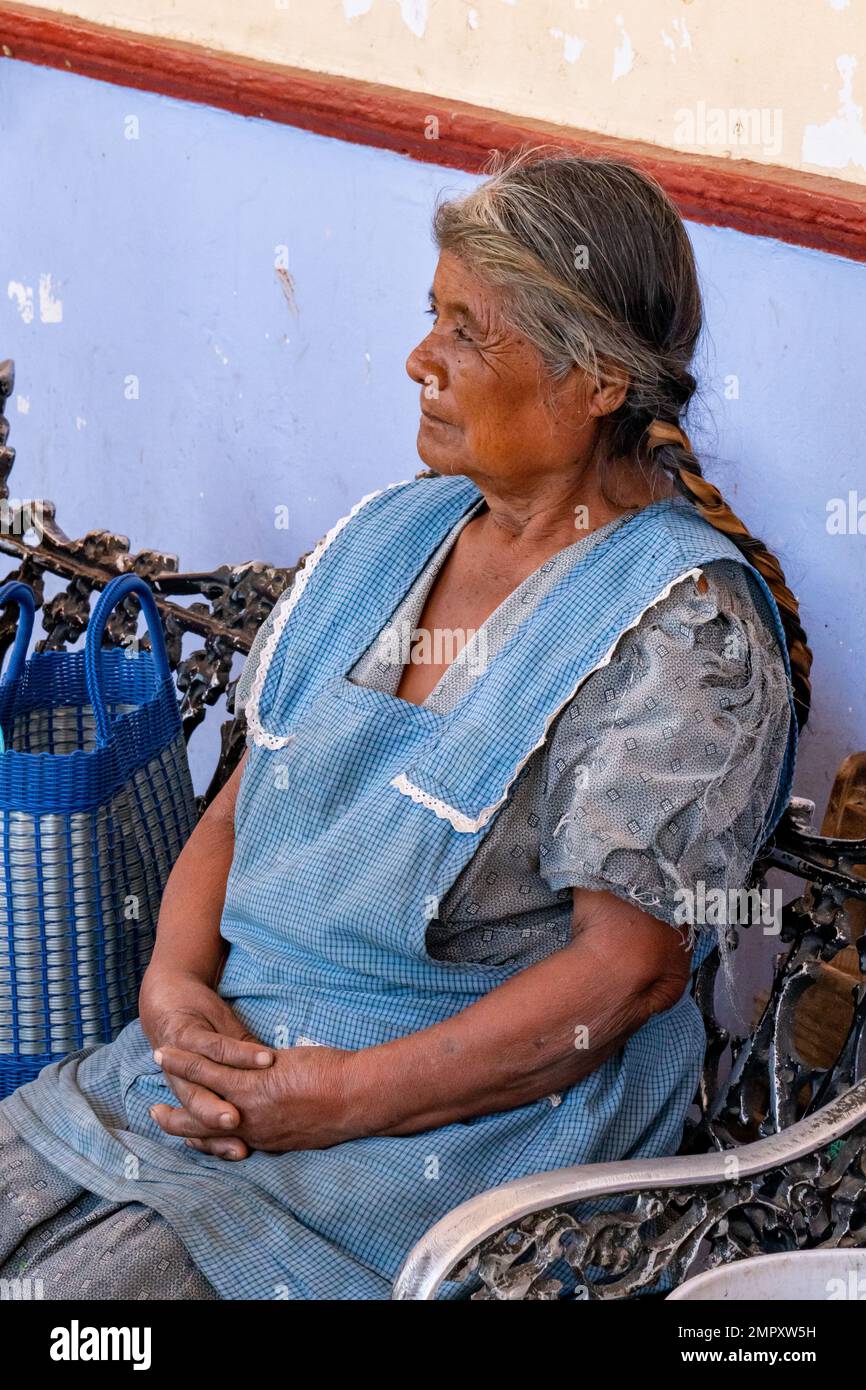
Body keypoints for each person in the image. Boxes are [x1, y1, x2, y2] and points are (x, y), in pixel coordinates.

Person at [0, 150, 807, 1301]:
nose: (420, 360)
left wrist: (337, 1098)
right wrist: (172, 990)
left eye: (469, 332)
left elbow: (621, 978)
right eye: (430, 317)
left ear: (595, 382)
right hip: (223, 1072)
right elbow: (243, 799)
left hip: (450, 1140)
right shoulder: (389, 532)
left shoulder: (683, 631)